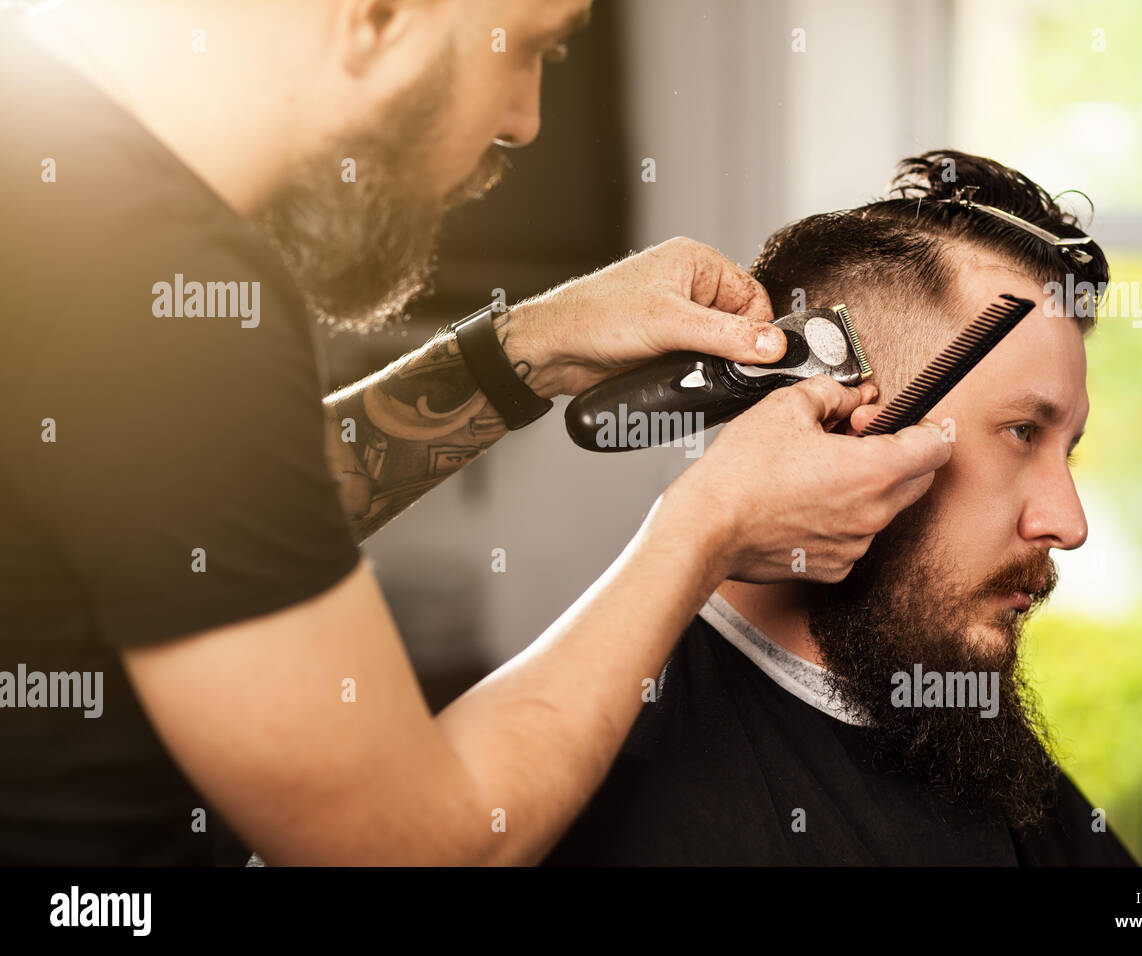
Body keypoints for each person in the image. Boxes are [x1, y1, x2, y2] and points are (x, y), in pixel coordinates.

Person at [0, 0, 952, 865]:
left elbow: (203, 518)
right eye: (526, 48)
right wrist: (702, 527)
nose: (525, 119)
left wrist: (521, 351)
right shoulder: (154, 290)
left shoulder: (54, 183)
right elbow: (421, 849)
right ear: (376, 18)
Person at [545, 151, 1140, 866]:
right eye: (1021, 434)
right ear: (834, 423)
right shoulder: (636, 807)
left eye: (1066, 450)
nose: (1068, 524)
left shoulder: (954, 729)